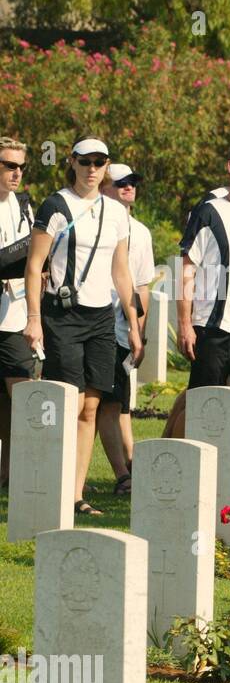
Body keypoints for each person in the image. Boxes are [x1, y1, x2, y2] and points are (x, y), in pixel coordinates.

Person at [23, 136, 142, 517]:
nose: (92, 169)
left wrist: (135, 323)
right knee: (69, 404)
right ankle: (49, 484)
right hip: (63, 315)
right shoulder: (56, 206)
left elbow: (121, 270)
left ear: (107, 166)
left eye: (100, 162)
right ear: (72, 162)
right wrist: (33, 319)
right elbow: (33, 266)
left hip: (101, 318)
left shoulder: (116, 212)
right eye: (86, 161)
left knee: (91, 406)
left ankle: (75, 494)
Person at [165, 136, 230, 441]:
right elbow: (186, 269)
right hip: (213, 325)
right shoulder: (210, 211)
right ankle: (172, 462)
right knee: (202, 406)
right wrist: (185, 324)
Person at [96, 162, 155, 496]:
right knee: (100, 403)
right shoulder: (95, 225)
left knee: (116, 401)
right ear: (104, 188)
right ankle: (122, 473)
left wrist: (139, 330)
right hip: (93, 321)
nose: (129, 188)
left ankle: (126, 469)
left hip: (123, 327)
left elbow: (142, 284)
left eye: (133, 182)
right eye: (121, 183)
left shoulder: (142, 232)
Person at [0, 136, 33, 488]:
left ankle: (16, 472)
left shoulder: (24, 204)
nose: (17, 173)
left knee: (20, 395)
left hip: (15, 314)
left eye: (21, 166)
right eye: (9, 165)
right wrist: (34, 244)